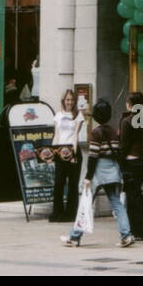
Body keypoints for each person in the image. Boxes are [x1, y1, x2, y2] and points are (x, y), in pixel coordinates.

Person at [62, 99, 134, 248]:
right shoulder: (114, 131)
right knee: (116, 204)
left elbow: (93, 157)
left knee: (86, 203)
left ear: (95, 116)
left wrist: (88, 177)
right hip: (113, 168)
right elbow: (118, 152)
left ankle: (75, 237)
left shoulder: (95, 133)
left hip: (98, 170)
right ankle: (126, 235)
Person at [119, 91, 143, 241]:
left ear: (129, 104)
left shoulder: (127, 121)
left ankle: (139, 230)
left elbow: (124, 145)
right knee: (135, 195)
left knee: (133, 197)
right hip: (142, 161)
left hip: (131, 161)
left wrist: (120, 162)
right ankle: (140, 229)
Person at [50, 89, 82, 223]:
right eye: (67, 100)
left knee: (73, 185)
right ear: (63, 100)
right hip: (60, 152)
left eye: (72, 100)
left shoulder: (78, 116)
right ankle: (57, 213)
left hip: (72, 151)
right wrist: (51, 153)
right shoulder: (58, 116)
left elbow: (75, 135)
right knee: (58, 183)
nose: (69, 102)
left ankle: (71, 214)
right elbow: (56, 135)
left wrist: (73, 155)